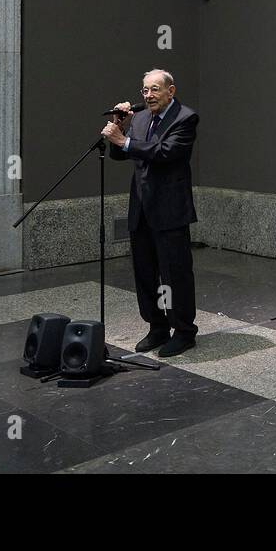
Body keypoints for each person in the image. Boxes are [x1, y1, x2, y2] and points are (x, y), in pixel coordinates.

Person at [101, 69, 200, 357]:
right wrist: (120, 126)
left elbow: (164, 152)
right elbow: (122, 154)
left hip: (170, 211)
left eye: (155, 89)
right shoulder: (141, 117)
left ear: (171, 90)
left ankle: (183, 331)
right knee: (146, 273)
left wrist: (124, 140)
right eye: (145, 90)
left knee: (175, 274)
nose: (149, 95)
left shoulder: (185, 118)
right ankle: (157, 326)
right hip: (141, 209)